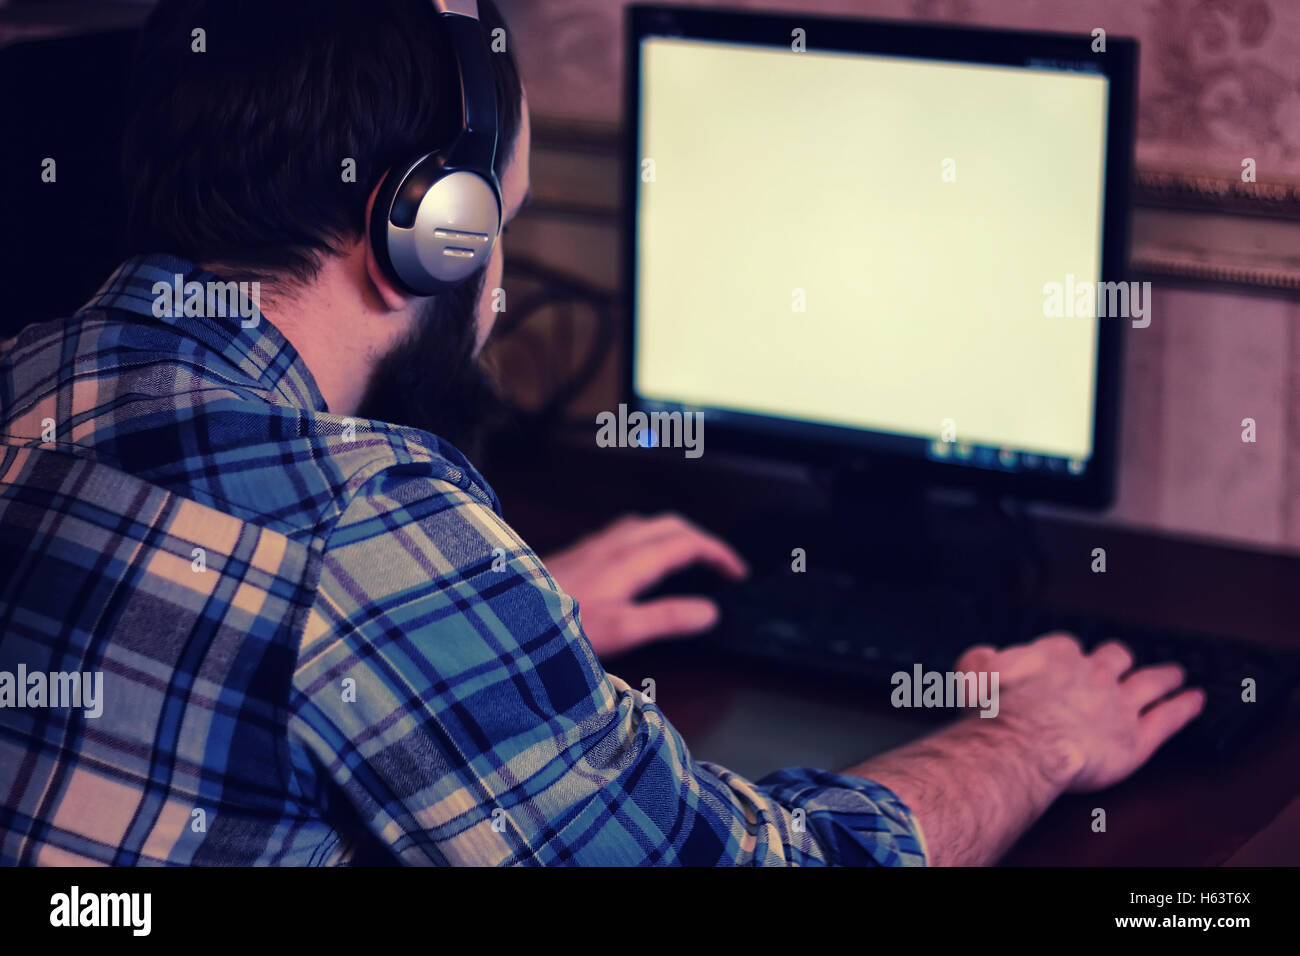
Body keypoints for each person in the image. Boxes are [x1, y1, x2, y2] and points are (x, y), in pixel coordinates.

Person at [0, 0, 1203, 866]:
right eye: (500, 225)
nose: (503, 279)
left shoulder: (32, 376)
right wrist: (1032, 737)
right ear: (426, 230)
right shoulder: (368, 533)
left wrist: (506, 623)